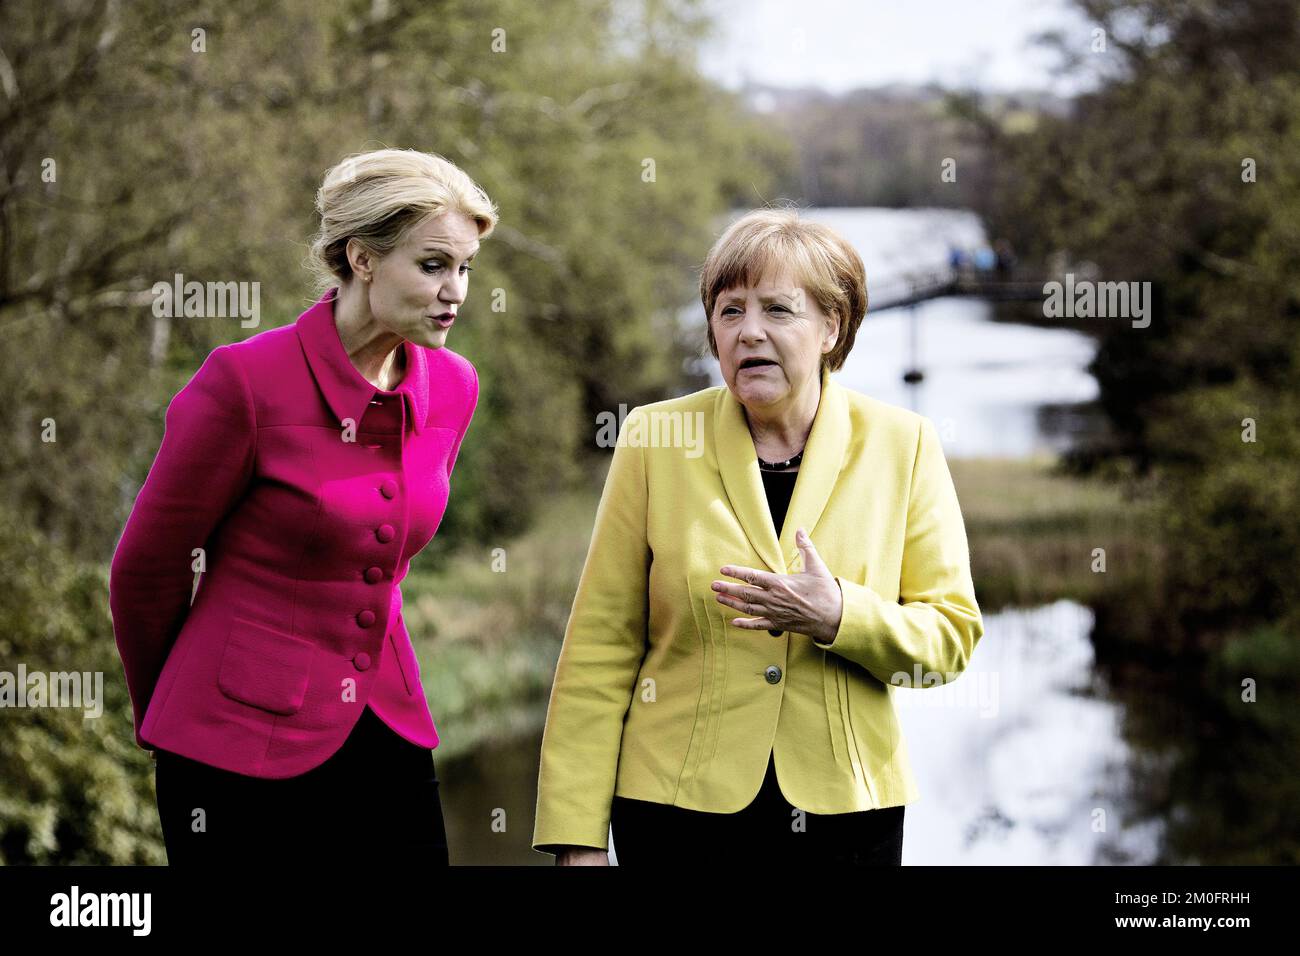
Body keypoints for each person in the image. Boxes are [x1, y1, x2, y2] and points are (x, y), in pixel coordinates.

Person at [532, 207, 985, 866]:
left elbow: (949, 638)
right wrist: (576, 836)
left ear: (831, 326)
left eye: (777, 310)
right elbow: (600, 645)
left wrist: (839, 615)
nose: (748, 333)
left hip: (847, 817)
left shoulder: (903, 445)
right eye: (729, 311)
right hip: (674, 814)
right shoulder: (655, 439)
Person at [109, 148, 498, 865]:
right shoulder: (244, 383)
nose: (457, 291)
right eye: (434, 264)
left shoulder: (454, 386)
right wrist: (172, 719)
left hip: (388, 730)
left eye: (466, 267)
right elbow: (146, 570)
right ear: (363, 259)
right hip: (232, 750)